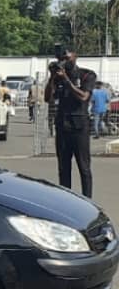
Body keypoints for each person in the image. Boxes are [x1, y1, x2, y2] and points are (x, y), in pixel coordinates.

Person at [43, 48, 95, 197]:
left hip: (79, 127)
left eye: (67, 57)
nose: (64, 61)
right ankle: (66, 199)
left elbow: (83, 97)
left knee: (84, 168)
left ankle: (88, 200)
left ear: (75, 56)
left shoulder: (86, 75)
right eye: (61, 59)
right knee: (63, 168)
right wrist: (52, 77)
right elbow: (48, 98)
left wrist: (66, 79)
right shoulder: (58, 77)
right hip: (62, 126)